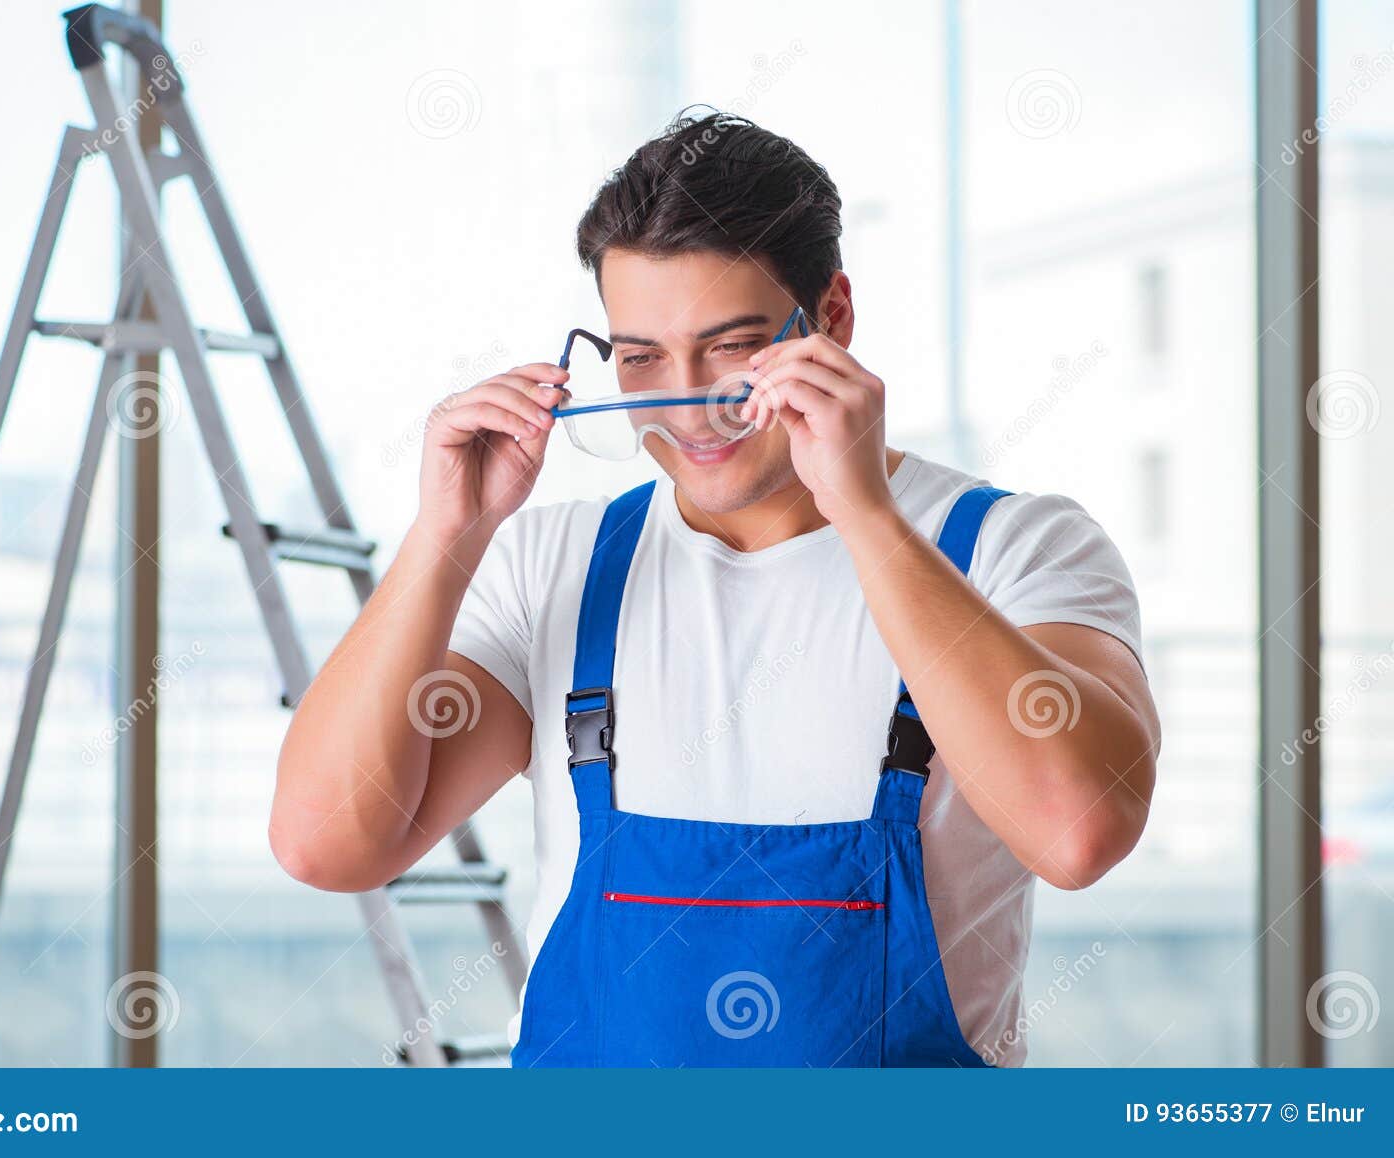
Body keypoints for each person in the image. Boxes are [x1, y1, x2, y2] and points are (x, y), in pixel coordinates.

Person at [271, 111, 1159, 1067]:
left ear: (832, 316)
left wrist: (862, 512)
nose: (689, 407)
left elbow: (1079, 834)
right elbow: (328, 843)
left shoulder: (1015, 550)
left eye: (731, 348)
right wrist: (443, 536)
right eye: (642, 357)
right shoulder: (554, 566)